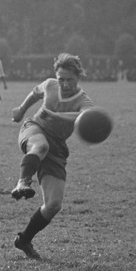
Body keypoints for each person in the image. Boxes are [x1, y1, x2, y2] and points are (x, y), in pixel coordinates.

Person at [9, 53, 94, 259]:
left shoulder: (83, 100)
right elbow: (34, 93)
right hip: (35, 128)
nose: (64, 84)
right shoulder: (50, 85)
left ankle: (24, 240)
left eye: (69, 80)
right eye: (61, 78)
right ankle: (23, 182)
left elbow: (86, 116)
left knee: (54, 205)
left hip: (57, 148)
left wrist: (56, 115)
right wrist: (21, 109)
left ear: (78, 77)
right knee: (40, 146)